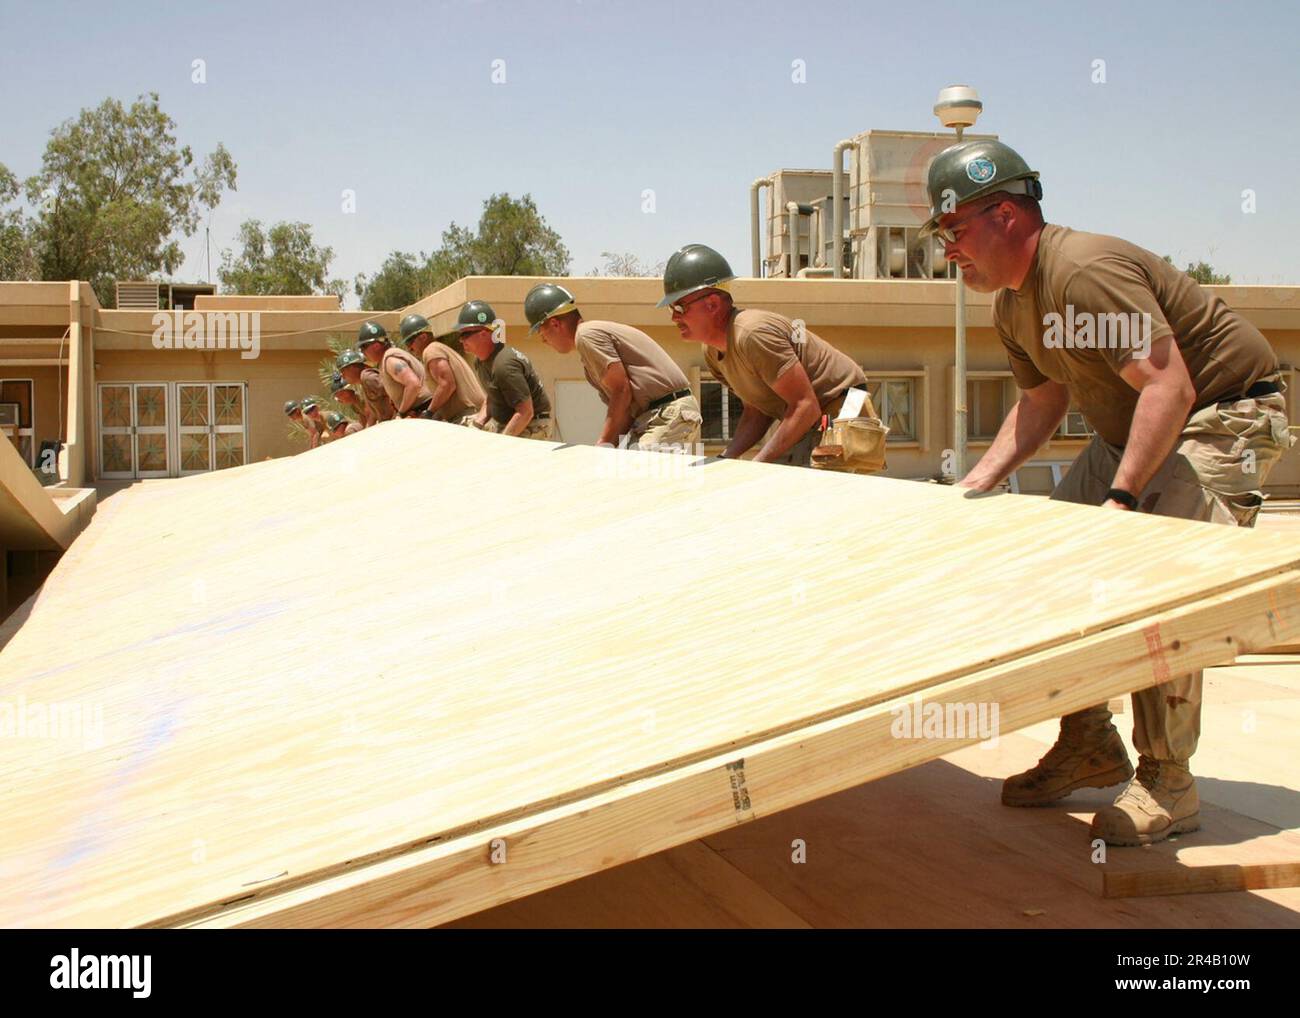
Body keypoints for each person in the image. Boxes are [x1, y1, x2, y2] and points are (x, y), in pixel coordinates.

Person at [922, 138, 1294, 845]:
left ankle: (1168, 782)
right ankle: (1088, 741)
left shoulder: (1084, 272)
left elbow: (1170, 385)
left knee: (1161, 584)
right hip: (1135, 431)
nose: (947, 250)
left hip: (1223, 413)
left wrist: (1122, 504)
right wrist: (971, 489)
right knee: (1054, 563)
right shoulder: (1012, 304)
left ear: (1005, 215)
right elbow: (1040, 402)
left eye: (954, 229)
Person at [659, 243, 872, 466]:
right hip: (810, 415)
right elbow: (757, 410)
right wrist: (726, 458)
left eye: (680, 308)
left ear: (712, 304)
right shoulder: (712, 352)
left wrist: (758, 463)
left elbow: (805, 407)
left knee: (813, 489)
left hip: (844, 405)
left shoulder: (753, 334)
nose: (674, 317)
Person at [526, 282, 702, 452]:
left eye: (542, 333)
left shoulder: (586, 335)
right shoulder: (588, 351)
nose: (543, 341)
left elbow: (622, 391)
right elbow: (624, 410)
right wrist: (608, 447)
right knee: (619, 469)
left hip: (667, 410)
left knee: (637, 471)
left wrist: (603, 443)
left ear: (555, 324)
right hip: (653, 415)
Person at [457, 300, 555, 440]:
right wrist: (477, 425)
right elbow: (491, 397)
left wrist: (502, 442)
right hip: (507, 421)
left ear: (484, 334)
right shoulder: (481, 361)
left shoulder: (504, 364)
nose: (461, 340)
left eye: (465, 334)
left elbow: (526, 412)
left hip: (532, 424)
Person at [399, 312, 486, 425]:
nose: (409, 348)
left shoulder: (431, 350)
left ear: (423, 337)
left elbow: (447, 384)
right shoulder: (440, 348)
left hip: (466, 417)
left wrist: (429, 412)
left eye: (410, 342)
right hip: (473, 414)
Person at [357, 319, 433, 418]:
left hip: (425, 410)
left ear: (375, 346)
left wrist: (401, 413)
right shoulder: (388, 358)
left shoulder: (390, 360)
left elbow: (413, 384)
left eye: (363, 348)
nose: (363, 353)